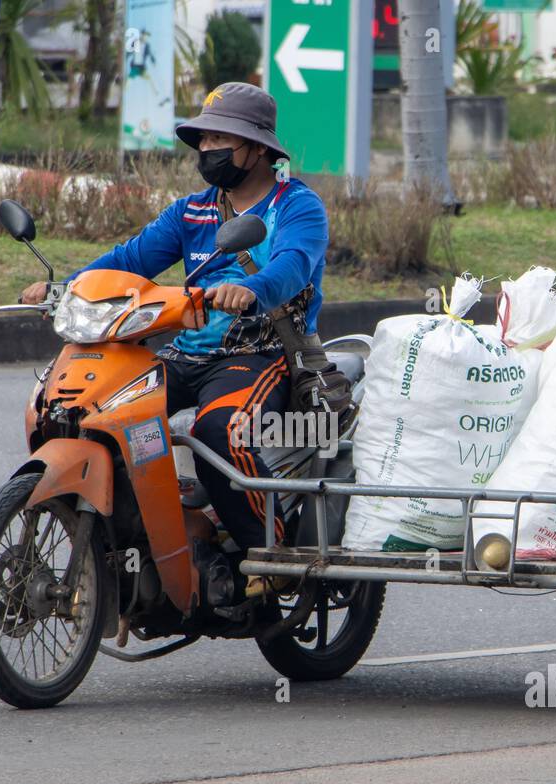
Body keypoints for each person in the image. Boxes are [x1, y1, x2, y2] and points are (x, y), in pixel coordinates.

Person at [19, 83, 329, 575]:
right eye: (203, 140)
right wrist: (68, 288)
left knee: (219, 429)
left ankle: (269, 553)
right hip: (185, 356)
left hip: (261, 358)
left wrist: (254, 290)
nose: (208, 150)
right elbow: (130, 261)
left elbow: (293, 264)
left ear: (260, 148)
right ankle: (149, 539)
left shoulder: (296, 206)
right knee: (86, 412)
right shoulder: (191, 210)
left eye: (221, 139)